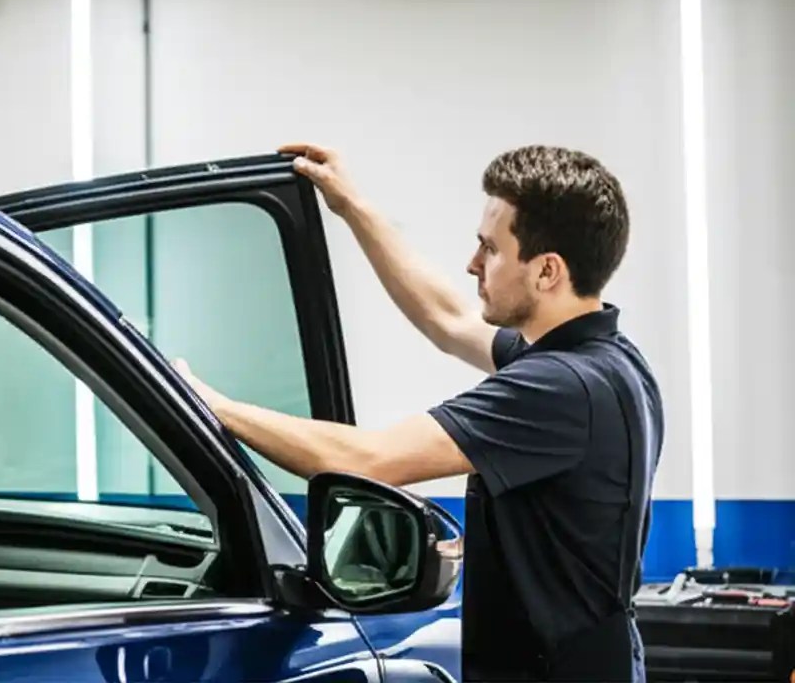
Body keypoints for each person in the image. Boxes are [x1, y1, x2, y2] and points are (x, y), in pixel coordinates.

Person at [175, 142, 663, 682]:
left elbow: (369, 459)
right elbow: (446, 318)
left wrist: (213, 405)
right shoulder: (610, 360)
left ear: (547, 271)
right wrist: (352, 206)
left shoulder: (560, 388)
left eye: (491, 249)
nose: (473, 263)